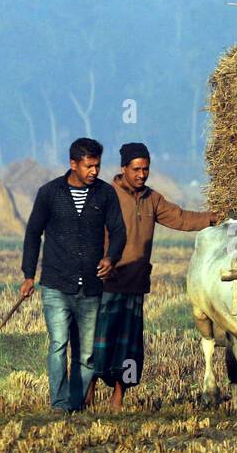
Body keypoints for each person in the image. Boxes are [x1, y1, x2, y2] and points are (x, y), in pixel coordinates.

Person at [89, 143, 217, 409]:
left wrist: (213, 219)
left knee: (129, 345)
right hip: (107, 282)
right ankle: (87, 389)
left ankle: (118, 396)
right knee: (98, 341)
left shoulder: (152, 199)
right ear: (123, 168)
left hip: (136, 283)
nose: (142, 174)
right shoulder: (105, 195)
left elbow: (181, 218)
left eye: (146, 169)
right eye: (136, 169)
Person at [20, 138, 126, 413]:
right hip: (56, 284)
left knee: (86, 354)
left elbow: (118, 232)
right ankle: (59, 405)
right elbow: (33, 233)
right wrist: (29, 275)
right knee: (58, 344)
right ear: (73, 164)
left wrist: (110, 257)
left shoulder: (105, 194)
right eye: (89, 166)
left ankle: (75, 406)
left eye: (98, 166)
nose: (94, 171)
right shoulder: (50, 193)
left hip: (91, 288)